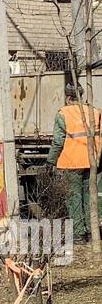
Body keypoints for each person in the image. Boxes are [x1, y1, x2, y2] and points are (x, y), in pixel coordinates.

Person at [47, 83, 102, 241]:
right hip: (92, 162)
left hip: (72, 163)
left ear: (67, 98)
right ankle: (92, 232)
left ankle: (78, 234)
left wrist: (50, 161)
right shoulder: (94, 111)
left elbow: (58, 141)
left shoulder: (63, 113)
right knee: (90, 197)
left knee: (74, 198)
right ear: (82, 96)